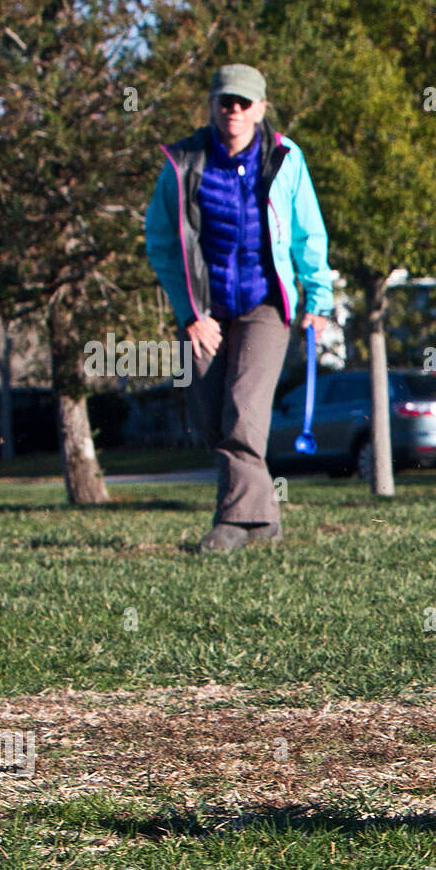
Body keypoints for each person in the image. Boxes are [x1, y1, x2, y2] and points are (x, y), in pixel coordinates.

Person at [145, 64, 334, 551]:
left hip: (266, 304)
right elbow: (163, 243)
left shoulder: (286, 158)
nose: (234, 110)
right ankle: (263, 518)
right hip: (206, 309)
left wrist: (318, 297)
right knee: (208, 418)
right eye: (226, 101)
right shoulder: (183, 162)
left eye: (244, 103)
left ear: (261, 109)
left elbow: (308, 232)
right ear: (211, 104)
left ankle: (232, 523)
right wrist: (190, 314)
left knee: (243, 411)